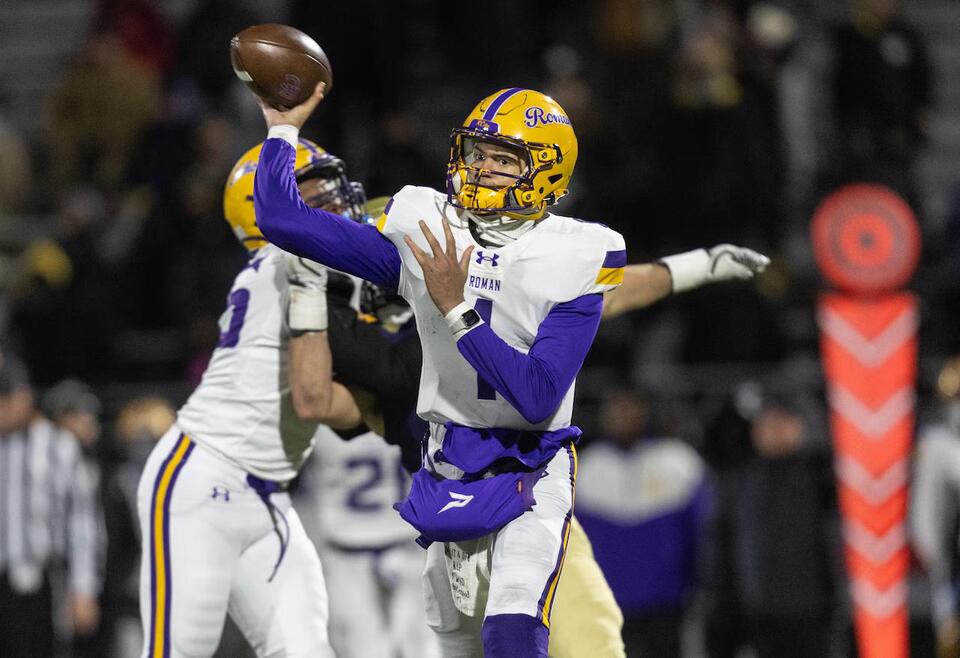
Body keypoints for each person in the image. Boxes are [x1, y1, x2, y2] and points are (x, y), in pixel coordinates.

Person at [252, 82, 769, 656]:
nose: (483, 168)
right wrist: (281, 128)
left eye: (503, 158)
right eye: (478, 153)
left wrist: (698, 264)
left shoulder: (572, 253)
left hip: (531, 468)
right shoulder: (416, 243)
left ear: (545, 171)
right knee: (459, 647)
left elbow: (547, 386)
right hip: (447, 479)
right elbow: (282, 223)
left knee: (534, 634)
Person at [136, 138, 365, 658]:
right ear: (269, 211)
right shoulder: (287, 263)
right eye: (314, 193)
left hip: (268, 495)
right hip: (202, 482)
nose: (334, 201)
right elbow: (318, 398)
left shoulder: (312, 269)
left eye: (332, 187)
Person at [0, 353, 102, 657]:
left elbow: (82, 523)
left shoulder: (58, 446)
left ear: (22, 397)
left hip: (38, 581)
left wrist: (83, 588)